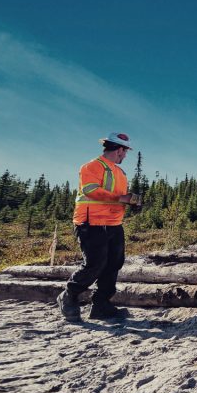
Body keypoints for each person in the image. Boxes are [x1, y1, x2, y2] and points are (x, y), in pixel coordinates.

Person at [57, 132, 142, 322]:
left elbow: (117, 197)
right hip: (90, 223)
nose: (125, 155)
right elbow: (90, 190)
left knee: (113, 264)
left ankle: (101, 304)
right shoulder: (92, 166)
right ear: (119, 150)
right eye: (125, 152)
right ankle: (69, 296)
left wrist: (132, 202)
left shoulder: (120, 173)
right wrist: (122, 198)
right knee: (95, 264)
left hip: (114, 224)